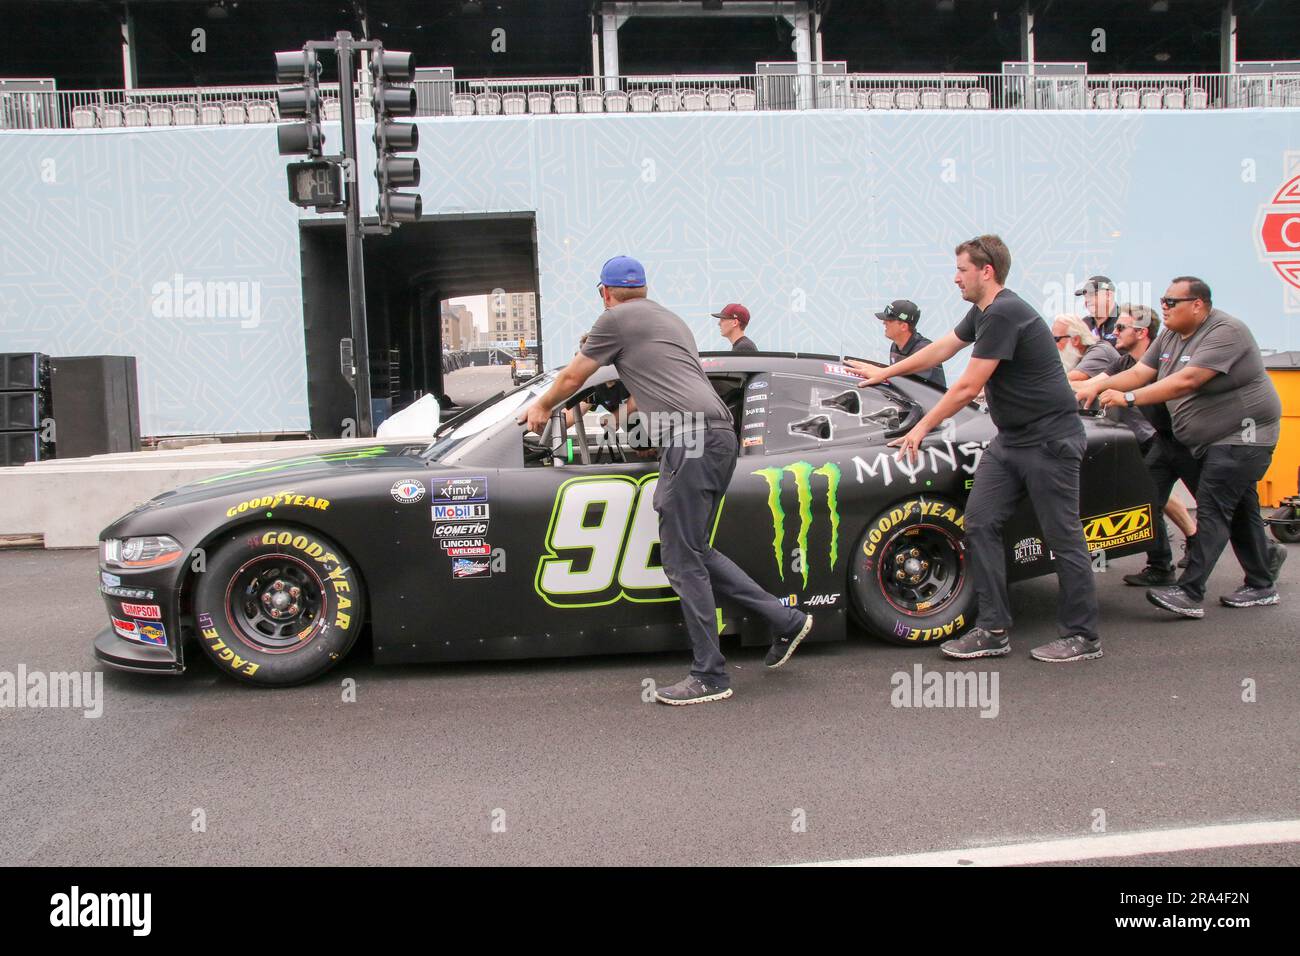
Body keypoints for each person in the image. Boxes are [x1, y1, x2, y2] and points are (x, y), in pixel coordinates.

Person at [520, 256, 813, 704]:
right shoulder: (668, 320)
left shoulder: (615, 319)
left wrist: (541, 407)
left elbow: (574, 376)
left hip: (690, 439)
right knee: (694, 550)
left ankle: (711, 675)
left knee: (681, 560)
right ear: (644, 287)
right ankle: (786, 621)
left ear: (604, 292)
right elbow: (649, 391)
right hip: (717, 437)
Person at [848, 235, 1102, 663]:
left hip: (1050, 439)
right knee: (979, 523)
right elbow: (943, 348)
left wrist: (922, 429)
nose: (955, 277)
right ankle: (992, 629)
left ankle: (1082, 636)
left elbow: (968, 385)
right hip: (1012, 440)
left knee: (1062, 537)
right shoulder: (982, 312)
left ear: (986, 271)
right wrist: (885, 372)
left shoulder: (1006, 312)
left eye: (962, 270)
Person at [1075, 277, 1285, 618]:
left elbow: (1186, 381)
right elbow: (1141, 373)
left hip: (1242, 438)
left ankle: (1190, 591)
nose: (1164, 307)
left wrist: (1128, 398)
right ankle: (1261, 582)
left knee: (1213, 509)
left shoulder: (1226, 332)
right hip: (1191, 441)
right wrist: (1096, 389)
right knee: (1241, 510)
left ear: (1198, 304)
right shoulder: (1171, 335)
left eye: (1172, 301)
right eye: (1163, 300)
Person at [1071, 304, 1196, 586]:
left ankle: (1255, 549)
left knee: (1217, 502)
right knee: (1148, 499)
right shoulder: (1123, 362)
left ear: (1141, 333)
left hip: (1178, 440)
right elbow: (1092, 385)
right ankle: (1163, 564)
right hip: (1148, 442)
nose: (1113, 333)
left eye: (1120, 328)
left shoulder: (1163, 365)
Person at [877, 298, 946, 387]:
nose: (883, 323)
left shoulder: (924, 350)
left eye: (889, 320)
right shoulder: (895, 345)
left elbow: (916, 389)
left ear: (904, 326)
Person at [1052, 314, 1120, 379]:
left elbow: (1066, 380)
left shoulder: (1100, 352)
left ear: (1076, 340)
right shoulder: (1077, 357)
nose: (1054, 345)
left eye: (1056, 339)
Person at [1077, 275, 1120, 347]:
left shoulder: (1125, 321)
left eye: (1092, 295)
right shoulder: (1083, 324)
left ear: (1108, 295)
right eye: (1085, 296)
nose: (1087, 300)